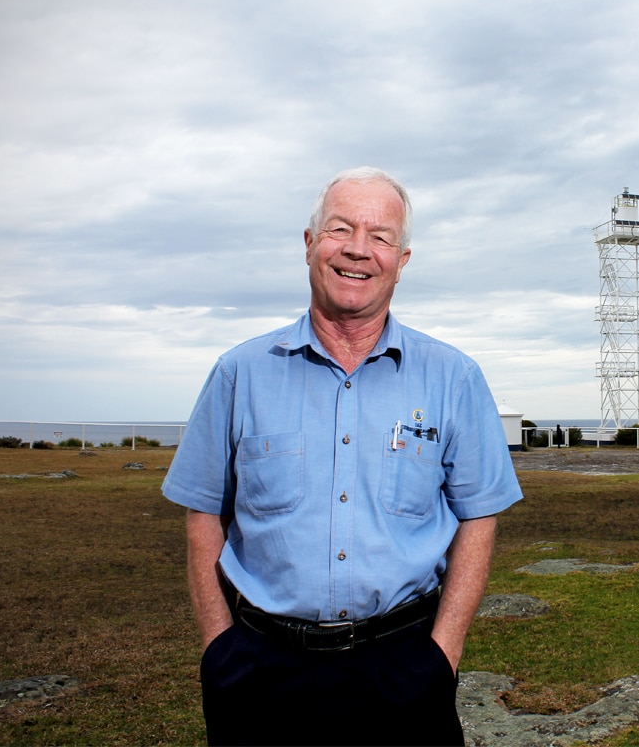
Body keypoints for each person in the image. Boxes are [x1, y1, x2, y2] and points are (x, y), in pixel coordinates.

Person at [162, 167, 523, 746]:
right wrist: (219, 648)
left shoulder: (454, 378)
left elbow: (478, 516)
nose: (358, 249)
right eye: (340, 229)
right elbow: (203, 512)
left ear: (402, 260)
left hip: (404, 672)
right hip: (258, 675)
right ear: (309, 246)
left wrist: (443, 654)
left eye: (380, 236)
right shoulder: (238, 374)